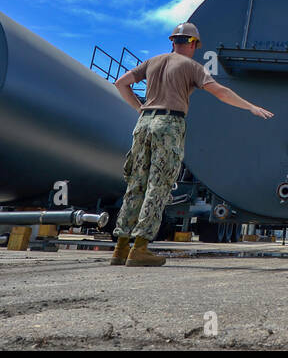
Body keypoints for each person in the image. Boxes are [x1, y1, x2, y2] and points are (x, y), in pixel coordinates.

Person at [111, 22, 274, 267]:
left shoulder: (153, 61)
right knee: (158, 184)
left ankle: (120, 249)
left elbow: (121, 83)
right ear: (193, 44)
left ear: (172, 41)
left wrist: (140, 109)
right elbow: (220, 92)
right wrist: (250, 106)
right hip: (169, 124)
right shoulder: (191, 67)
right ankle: (140, 248)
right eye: (196, 44)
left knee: (136, 184)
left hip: (144, 123)